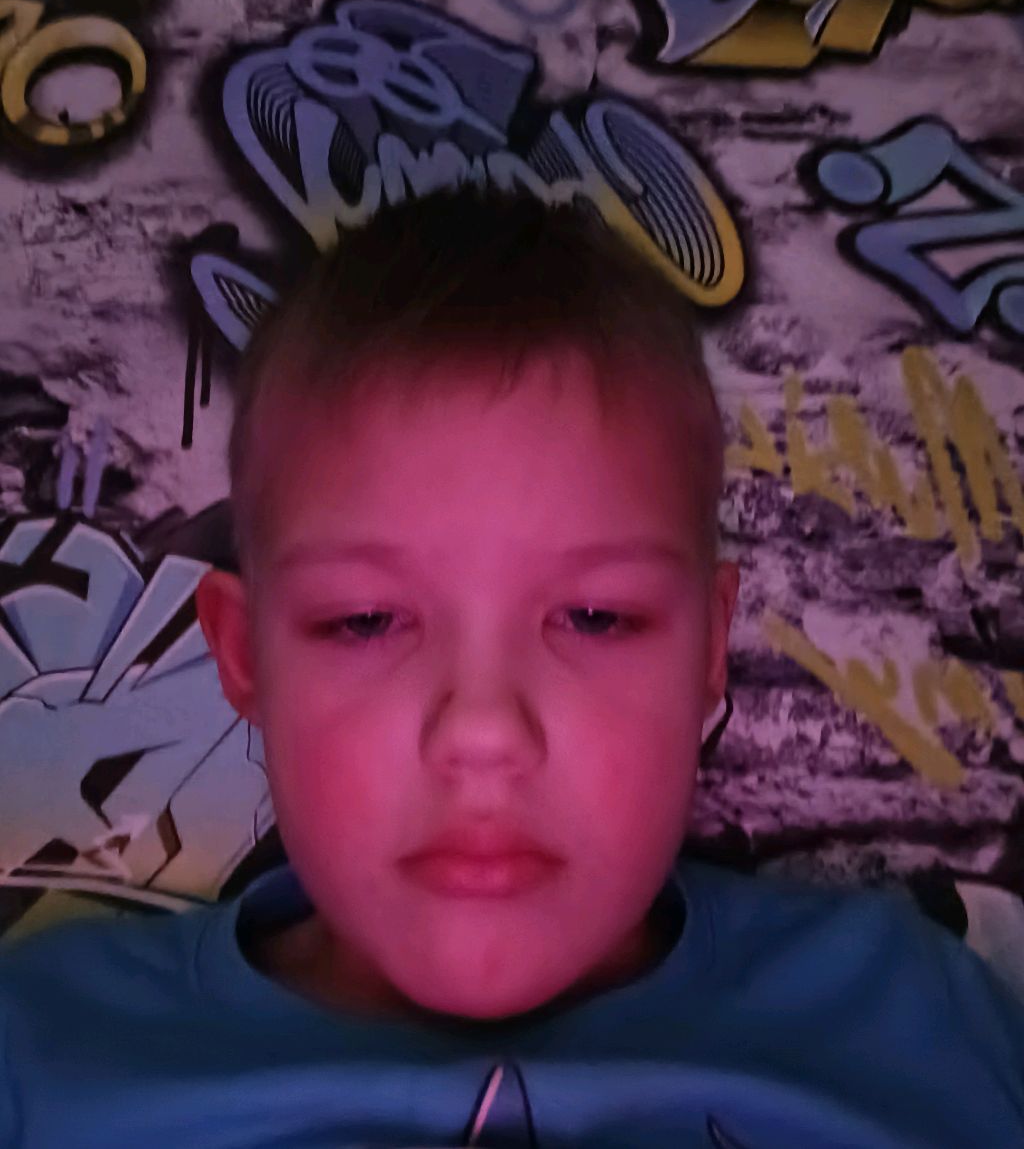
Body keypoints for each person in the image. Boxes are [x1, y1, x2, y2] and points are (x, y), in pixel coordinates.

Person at [1, 190, 1022, 1149]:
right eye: (364, 621)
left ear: (709, 651)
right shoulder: (43, 1054)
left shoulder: (921, 1022)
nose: (482, 730)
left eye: (595, 617)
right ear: (244, 656)